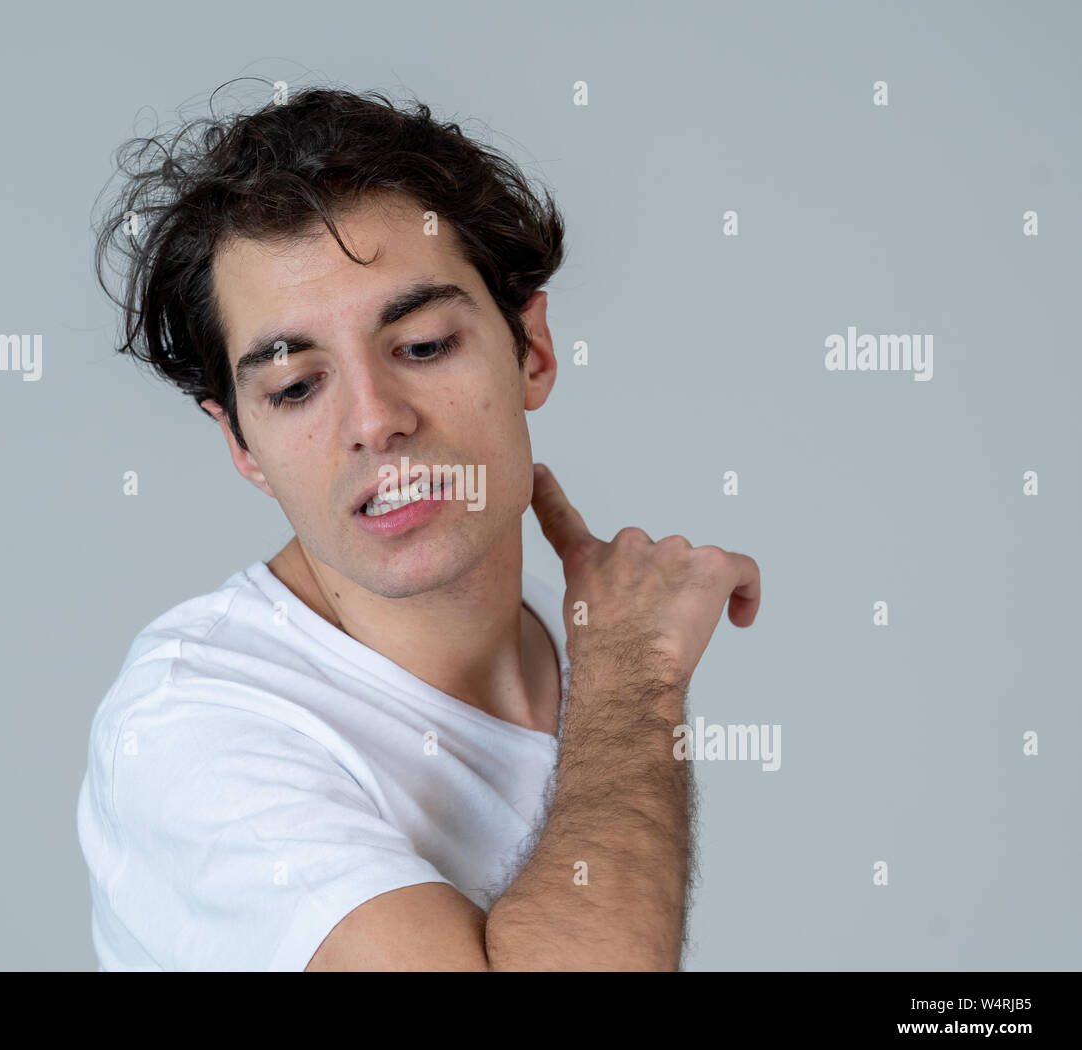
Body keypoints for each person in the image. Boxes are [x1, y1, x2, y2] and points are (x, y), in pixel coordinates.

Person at [76, 84, 761, 971]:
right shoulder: (191, 726)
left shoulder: (572, 641)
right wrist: (638, 676)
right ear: (241, 444)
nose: (375, 419)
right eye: (294, 388)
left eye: (425, 345)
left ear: (533, 351)